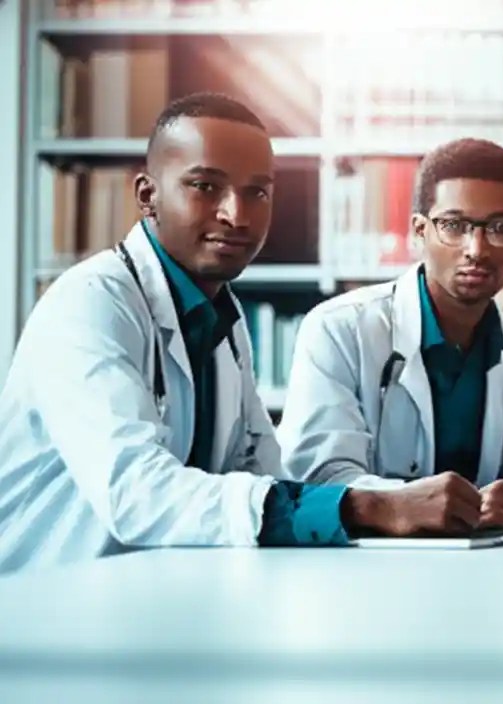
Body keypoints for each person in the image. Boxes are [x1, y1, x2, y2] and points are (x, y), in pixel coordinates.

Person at [0, 93, 467, 573]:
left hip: (143, 594)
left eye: (257, 192)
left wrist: (423, 501)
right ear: (147, 196)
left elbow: (264, 475)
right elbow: (136, 494)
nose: (236, 215)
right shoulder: (91, 300)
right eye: (205, 186)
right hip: (43, 600)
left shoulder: (223, 318)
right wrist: (375, 509)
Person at [278, 138, 503, 533]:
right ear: (419, 231)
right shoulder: (340, 329)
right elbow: (315, 477)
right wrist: (405, 504)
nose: (477, 248)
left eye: (500, 228)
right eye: (454, 226)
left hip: (483, 566)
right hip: (362, 567)